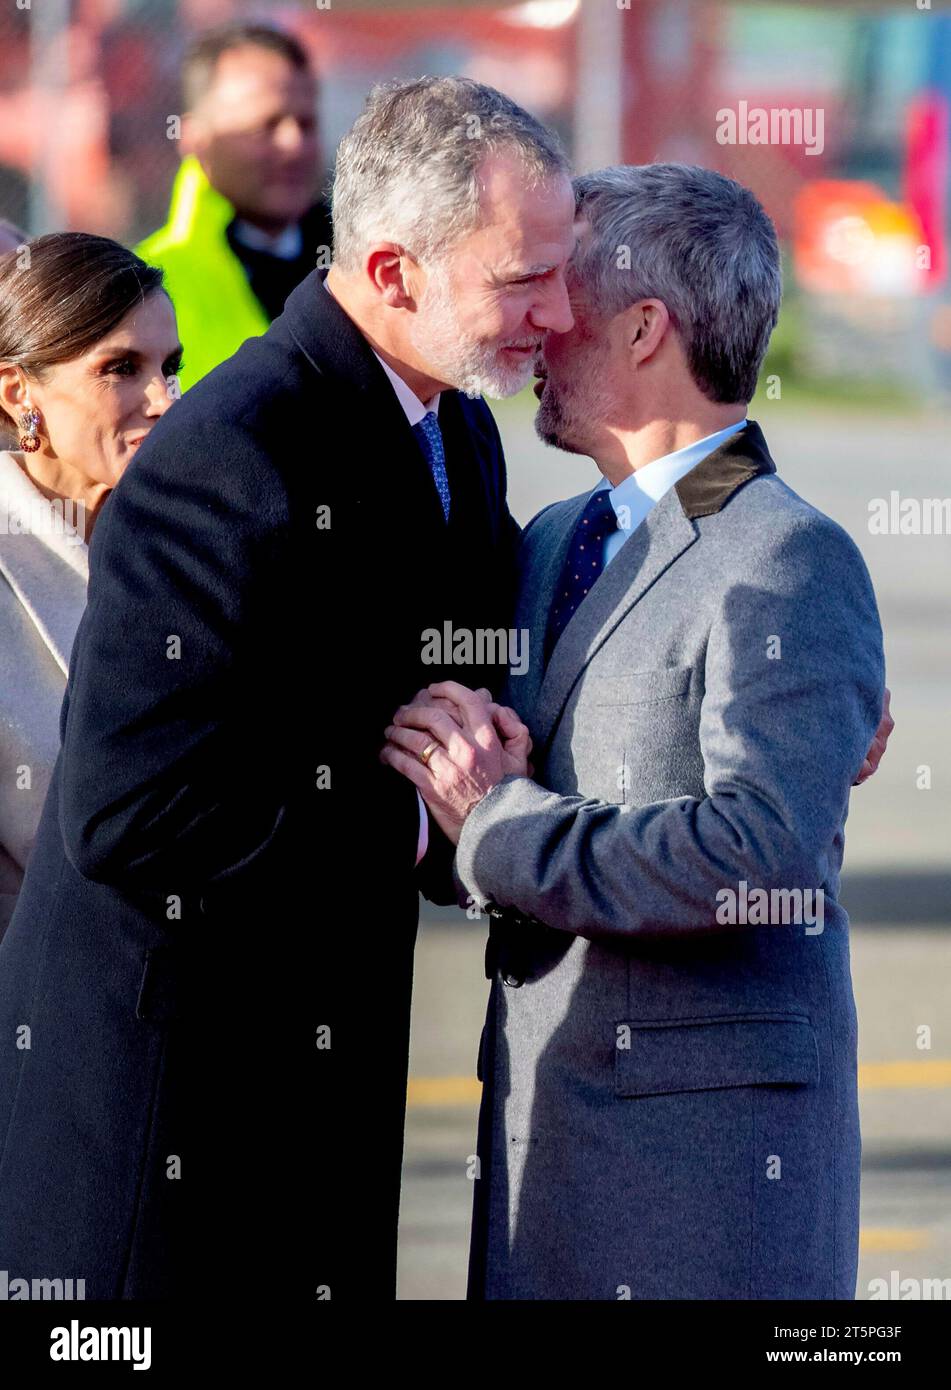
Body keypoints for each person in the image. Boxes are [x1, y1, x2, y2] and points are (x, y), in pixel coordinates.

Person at [0, 76, 575, 1302]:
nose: (559, 310)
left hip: (315, 1096)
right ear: (392, 270)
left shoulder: (452, 428)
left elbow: (495, 657)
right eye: (523, 278)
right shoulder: (230, 457)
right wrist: (415, 813)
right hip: (173, 1132)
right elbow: (130, 814)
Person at [382, 163, 894, 1300]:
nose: (537, 326)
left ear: (646, 325)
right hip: (545, 1135)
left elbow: (764, 856)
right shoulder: (556, 537)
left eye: (560, 294)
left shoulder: (787, 556)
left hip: (698, 1180)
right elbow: (477, 804)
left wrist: (501, 826)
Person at [0, 233, 180, 939]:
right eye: (120, 368)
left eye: (171, 366)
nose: (163, 399)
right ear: (18, 393)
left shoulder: (196, 542)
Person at [135, 22, 332, 390]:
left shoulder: (366, 259)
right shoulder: (142, 286)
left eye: (306, 124)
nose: (294, 143)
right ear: (196, 138)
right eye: (265, 125)